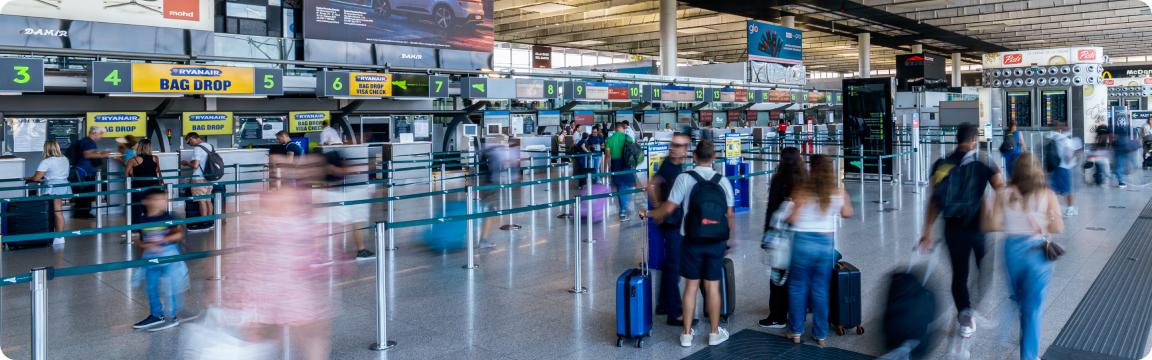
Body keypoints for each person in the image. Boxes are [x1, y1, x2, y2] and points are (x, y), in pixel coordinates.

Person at [225, 160, 333, 360]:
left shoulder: (255, 198)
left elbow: (236, 238)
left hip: (269, 280)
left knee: (287, 333)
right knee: (309, 333)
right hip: (283, 279)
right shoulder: (297, 200)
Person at [640, 140, 735, 348]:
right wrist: (727, 240)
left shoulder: (685, 178)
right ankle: (713, 333)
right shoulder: (724, 181)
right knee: (712, 287)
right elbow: (729, 216)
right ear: (714, 158)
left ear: (693, 157)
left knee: (691, 286)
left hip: (690, 239)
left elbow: (668, 209)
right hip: (715, 241)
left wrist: (647, 213)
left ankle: (686, 334)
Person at [919, 123, 1004, 339]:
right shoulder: (984, 162)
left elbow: (934, 201)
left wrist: (927, 230)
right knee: (984, 268)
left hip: (952, 228)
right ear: (974, 138)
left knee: (959, 273)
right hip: (978, 227)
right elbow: (1002, 188)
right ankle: (972, 308)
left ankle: (964, 316)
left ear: (957, 139)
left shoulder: (941, 164)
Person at [984, 152, 1064, 360]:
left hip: (1012, 251)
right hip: (1038, 253)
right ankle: (1028, 355)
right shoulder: (1047, 194)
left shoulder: (1004, 193)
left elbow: (991, 225)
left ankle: (1005, 338)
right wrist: (1048, 217)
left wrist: (1011, 220)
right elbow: (1057, 227)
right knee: (1033, 308)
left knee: (1018, 298)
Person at [785, 155, 853, 346]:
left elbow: (792, 218)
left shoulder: (802, 190)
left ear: (811, 169)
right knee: (821, 290)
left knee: (798, 288)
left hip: (802, 242)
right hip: (825, 243)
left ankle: (796, 331)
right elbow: (847, 213)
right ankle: (820, 334)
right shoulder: (837, 192)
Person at [758, 146, 806, 329]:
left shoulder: (778, 180)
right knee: (796, 276)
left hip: (780, 236)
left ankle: (777, 316)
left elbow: (771, 209)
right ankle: (796, 314)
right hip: (800, 235)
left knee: (777, 277)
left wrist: (766, 236)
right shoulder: (804, 179)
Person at [647, 133, 691, 326]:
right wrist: (658, 209)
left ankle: (663, 304)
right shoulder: (670, 165)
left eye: (678, 145)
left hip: (675, 220)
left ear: (685, 149)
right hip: (672, 222)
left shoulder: (674, 165)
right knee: (674, 266)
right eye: (673, 144)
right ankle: (675, 313)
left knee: (670, 265)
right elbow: (651, 185)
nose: (673, 147)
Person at [131, 188, 189, 332]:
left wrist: (163, 240)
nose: (162, 202)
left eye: (164, 199)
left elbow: (179, 234)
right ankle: (156, 314)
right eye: (158, 199)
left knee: (171, 286)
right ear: (146, 201)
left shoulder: (169, 217)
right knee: (151, 287)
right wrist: (147, 245)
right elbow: (137, 240)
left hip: (170, 257)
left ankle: (173, 315)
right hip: (150, 258)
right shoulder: (140, 219)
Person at [320, 149, 375, 259]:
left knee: (346, 223)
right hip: (348, 193)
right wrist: (369, 166)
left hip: (340, 192)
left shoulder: (332, 156)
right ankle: (359, 251)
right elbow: (343, 170)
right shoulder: (333, 160)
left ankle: (340, 251)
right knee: (355, 221)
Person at [25, 140, 71, 244]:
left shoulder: (47, 161)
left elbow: (37, 178)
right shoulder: (64, 159)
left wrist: (29, 178)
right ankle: (58, 236)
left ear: (46, 149)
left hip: (52, 187)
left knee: (56, 211)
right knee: (58, 211)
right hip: (63, 185)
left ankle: (59, 237)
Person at [72, 126, 110, 219]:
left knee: (83, 193)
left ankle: (82, 212)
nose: (101, 136)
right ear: (94, 133)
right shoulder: (90, 142)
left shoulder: (85, 141)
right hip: (84, 172)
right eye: (100, 133)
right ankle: (82, 213)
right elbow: (87, 154)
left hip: (82, 171)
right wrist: (102, 154)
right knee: (85, 192)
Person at [604, 122, 638, 221]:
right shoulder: (628, 138)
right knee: (627, 186)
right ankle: (623, 210)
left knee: (620, 187)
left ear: (615, 129)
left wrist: (607, 168)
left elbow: (607, 156)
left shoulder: (609, 139)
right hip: (626, 164)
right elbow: (633, 151)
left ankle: (623, 209)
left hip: (615, 164)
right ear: (623, 128)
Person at [1047, 122, 1082, 216]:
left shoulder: (1054, 137)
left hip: (1055, 167)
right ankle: (1070, 209)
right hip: (1064, 168)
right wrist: (1075, 156)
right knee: (1067, 189)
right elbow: (1068, 156)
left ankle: (1052, 208)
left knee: (1055, 189)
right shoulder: (1067, 140)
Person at [180, 133, 214, 229]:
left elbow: (195, 165)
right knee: (208, 200)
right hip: (209, 176)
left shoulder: (197, 148)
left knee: (201, 201)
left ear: (192, 138)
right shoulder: (209, 146)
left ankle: (203, 222)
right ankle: (210, 221)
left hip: (199, 177)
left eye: (189, 141)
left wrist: (186, 163)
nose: (189, 144)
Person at [126, 139, 163, 226]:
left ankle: (135, 230)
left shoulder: (133, 160)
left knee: (136, 209)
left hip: (138, 187)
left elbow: (126, 174)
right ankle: (151, 228)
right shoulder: (155, 158)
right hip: (153, 186)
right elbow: (158, 172)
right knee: (152, 208)